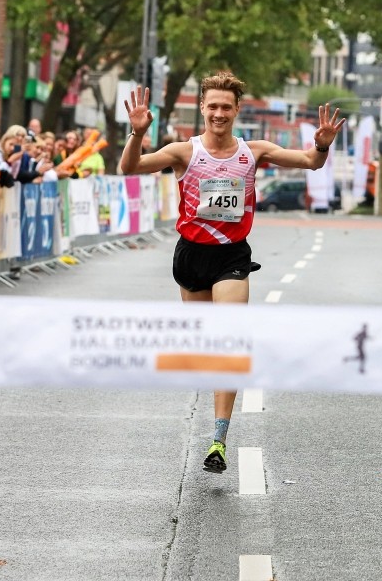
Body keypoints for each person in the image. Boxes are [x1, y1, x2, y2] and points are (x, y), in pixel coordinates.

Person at [117, 74, 343, 474]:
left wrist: (322, 144)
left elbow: (311, 161)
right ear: (202, 109)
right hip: (191, 257)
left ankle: (219, 439)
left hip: (231, 258)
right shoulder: (183, 152)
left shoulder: (253, 152)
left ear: (237, 110)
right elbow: (129, 168)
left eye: (226, 107)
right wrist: (136, 134)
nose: (219, 113)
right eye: (213, 106)